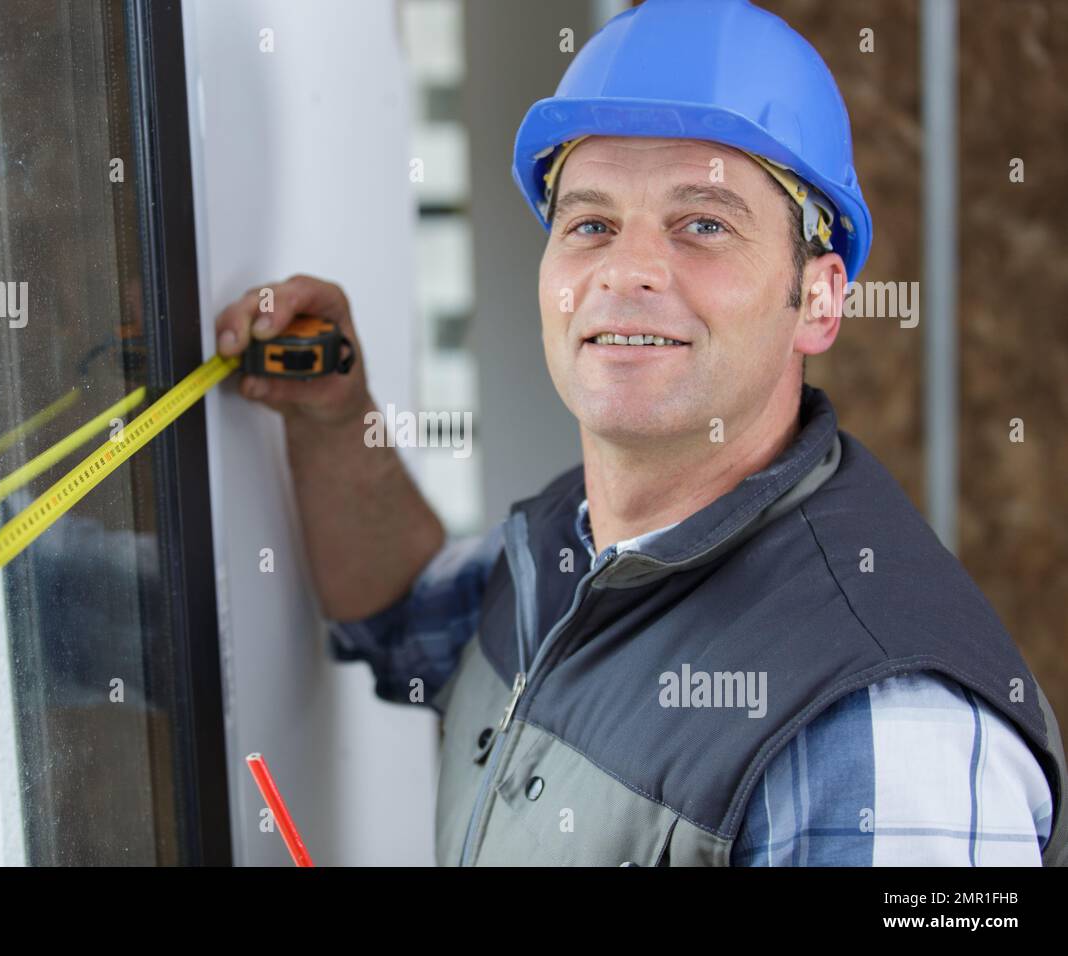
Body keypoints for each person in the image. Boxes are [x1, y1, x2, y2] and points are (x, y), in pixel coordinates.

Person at [214, 0, 1066, 866]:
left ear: (819, 298)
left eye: (703, 223)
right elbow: (403, 614)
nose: (626, 269)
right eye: (591, 224)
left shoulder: (879, 725)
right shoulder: (566, 548)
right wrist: (333, 413)